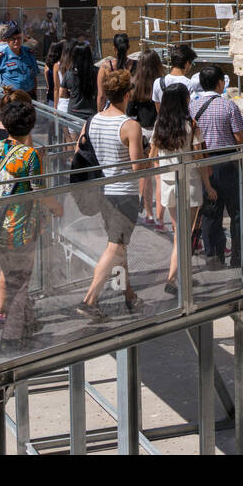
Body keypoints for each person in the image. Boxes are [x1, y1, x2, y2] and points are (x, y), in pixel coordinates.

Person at [0, 97, 54, 353]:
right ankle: (11, 338)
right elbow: (39, 192)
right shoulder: (30, 156)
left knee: (12, 278)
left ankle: (28, 321)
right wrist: (57, 207)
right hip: (22, 228)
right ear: (30, 125)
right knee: (21, 282)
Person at [76, 69, 146, 321]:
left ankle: (128, 295)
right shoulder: (131, 126)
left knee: (119, 246)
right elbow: (137, 166)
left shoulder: (91, 121)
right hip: (124, 194)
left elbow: (80, 150)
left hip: (103, 192)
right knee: (115, 246)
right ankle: (90, 300)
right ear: (128, 94)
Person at [190, 64, 243, 269]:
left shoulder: (193, 107)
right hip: (228, 162)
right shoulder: (228, 106)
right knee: (236, 212)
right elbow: (239, 137)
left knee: (211, 212)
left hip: (204, 163)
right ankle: (238, 258)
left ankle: (213, 257)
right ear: (220, 83)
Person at [151, 85, 203, 295]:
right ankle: (173, 279)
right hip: (189, 182)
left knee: (178, 233)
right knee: (185, 234)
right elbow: (199, 156)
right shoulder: (190, 125)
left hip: (168, 183)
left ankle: (182, 275)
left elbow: (152, 155)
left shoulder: (159, 125)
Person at [128, 49, 164, 228]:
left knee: (145, 174)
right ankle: (160, 216)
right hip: (159, 130)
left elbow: (130, 112)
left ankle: (149, 213)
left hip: (142, 131)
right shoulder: (162, 84)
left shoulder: (135, 83)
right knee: (159, 175)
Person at [0, 23, 38, 95]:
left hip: (29, 95)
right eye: (13, 39)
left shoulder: (29, 53)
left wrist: (35, 92)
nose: (16, 41)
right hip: (12, 96)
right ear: (8, 41)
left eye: (19, 38)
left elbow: (34, 75)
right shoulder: (1, 56)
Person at [59, 42, 98, 121]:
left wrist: (72, 94)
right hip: (92, 114)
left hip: (74, 113)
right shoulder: (97, 72)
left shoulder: (70, 73)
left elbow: (61, 94)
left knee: (74, 133)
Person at [96, 33, 131, 110]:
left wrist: (99, 114)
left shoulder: (105, 67)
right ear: (128, 47)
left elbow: (101, 96)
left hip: (111, 109)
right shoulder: (135, 65)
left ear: (114, 48)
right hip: (131, 108)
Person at [44, 41, 66, 108]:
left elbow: (47, 79)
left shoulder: (48, 63)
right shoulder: (58, 65)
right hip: (59, 95)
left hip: (52, 94)